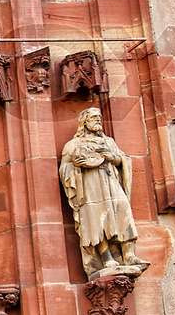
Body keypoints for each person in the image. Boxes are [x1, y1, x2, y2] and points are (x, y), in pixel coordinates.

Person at [58, 106, 147, 278]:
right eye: (93, 118)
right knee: (95, 220)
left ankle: (129, 255)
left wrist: (113, 158)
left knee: (123, 212)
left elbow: (123, 160)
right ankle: (106, 258)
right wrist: (78, 166)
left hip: (111, 183)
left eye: (99, 117)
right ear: (84, 122)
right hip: (91, 188)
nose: (98, 120)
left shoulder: (109, 142)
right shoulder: (74, 145)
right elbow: (65, 168)